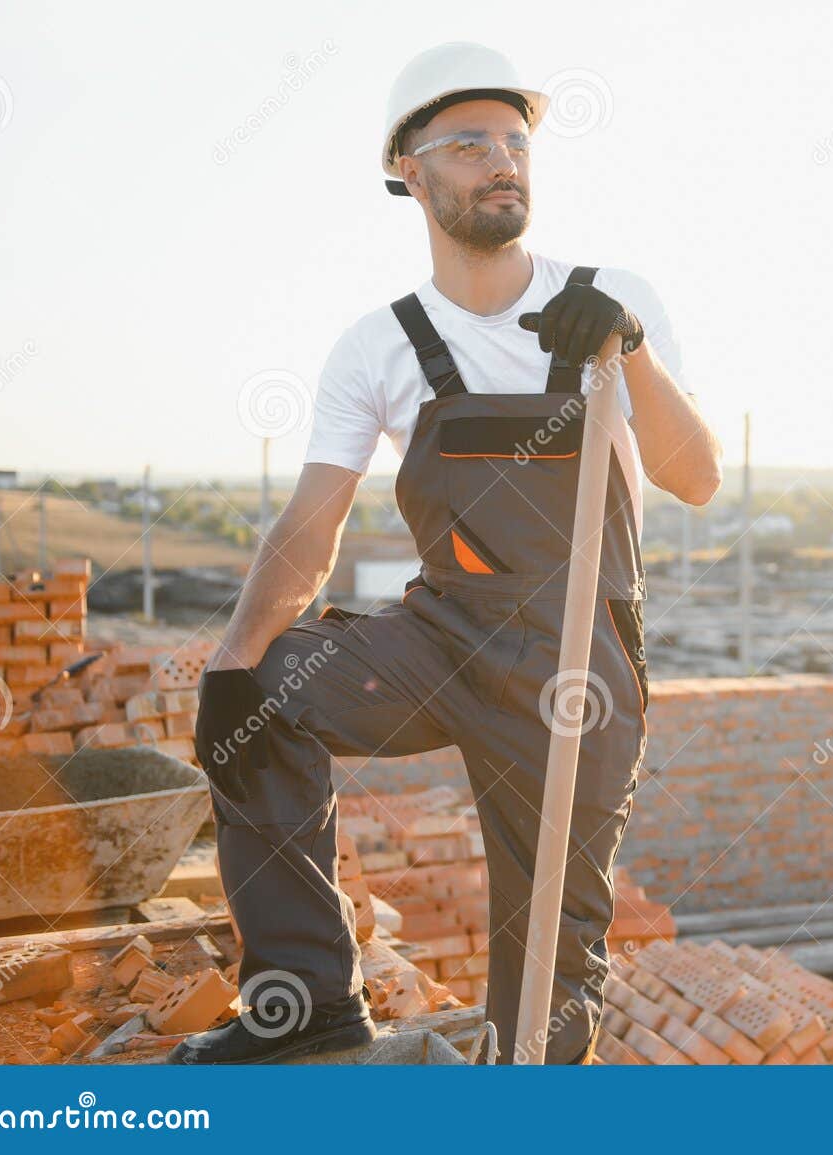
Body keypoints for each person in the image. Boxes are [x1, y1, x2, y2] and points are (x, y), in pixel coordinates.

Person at [172, 41, 721, 1065]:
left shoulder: (608, 300)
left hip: (576, 660)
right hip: (443, 633)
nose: (502, 160)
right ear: (408, 172)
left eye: (515, 141)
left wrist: (632, 347)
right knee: (269, 702)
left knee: (549, 939)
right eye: (469, 143)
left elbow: (696, 478)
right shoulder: (377, 346)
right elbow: (312, 523)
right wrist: (233, 661)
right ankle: (307, 1004)